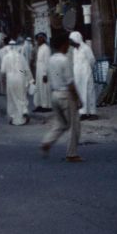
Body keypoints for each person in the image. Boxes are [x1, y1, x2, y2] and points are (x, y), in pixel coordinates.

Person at [40, 34, 84, 162]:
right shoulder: (64, 60)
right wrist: (78, 99)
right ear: (63, 45)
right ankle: (72, 153)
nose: (68, 47)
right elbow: (70, 82)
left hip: (54, 95)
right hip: (65, 95)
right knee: (74, 125)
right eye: (67, 45)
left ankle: (47, 142)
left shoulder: (51, 59)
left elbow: (46, 78)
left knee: (62, 123)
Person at [1, 39, 34, 126]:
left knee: (12, 98)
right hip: (20, 78)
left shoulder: (5, 57)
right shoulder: (21, 56)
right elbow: (26, 70)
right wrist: (31, 80)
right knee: (21, 97)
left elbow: (3, 72)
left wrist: (3, 82)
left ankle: (14, 118)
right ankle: (24, 112)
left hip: (10, 79)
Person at [69, 31, 97, 120]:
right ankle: (83, 112)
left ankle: (92, 113)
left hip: (86, 74)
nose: (70, 43)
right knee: (80, 93)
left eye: (72, 40)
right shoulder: (74, 50)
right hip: (78, 76)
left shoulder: (86, 48)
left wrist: (87, 69)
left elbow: (92, 60)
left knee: (89, 92)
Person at [33, 33, 52, 112]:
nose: (38, 40)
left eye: (40, 38)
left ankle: (46, 106)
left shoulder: (46, 48)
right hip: (38, 71)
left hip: (44, 72)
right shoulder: (40, 48)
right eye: (37, 39)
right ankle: (39, 105)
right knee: (38, 88)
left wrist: (45, 74)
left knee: (44, 89)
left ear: (44, 39)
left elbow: (47, 62)